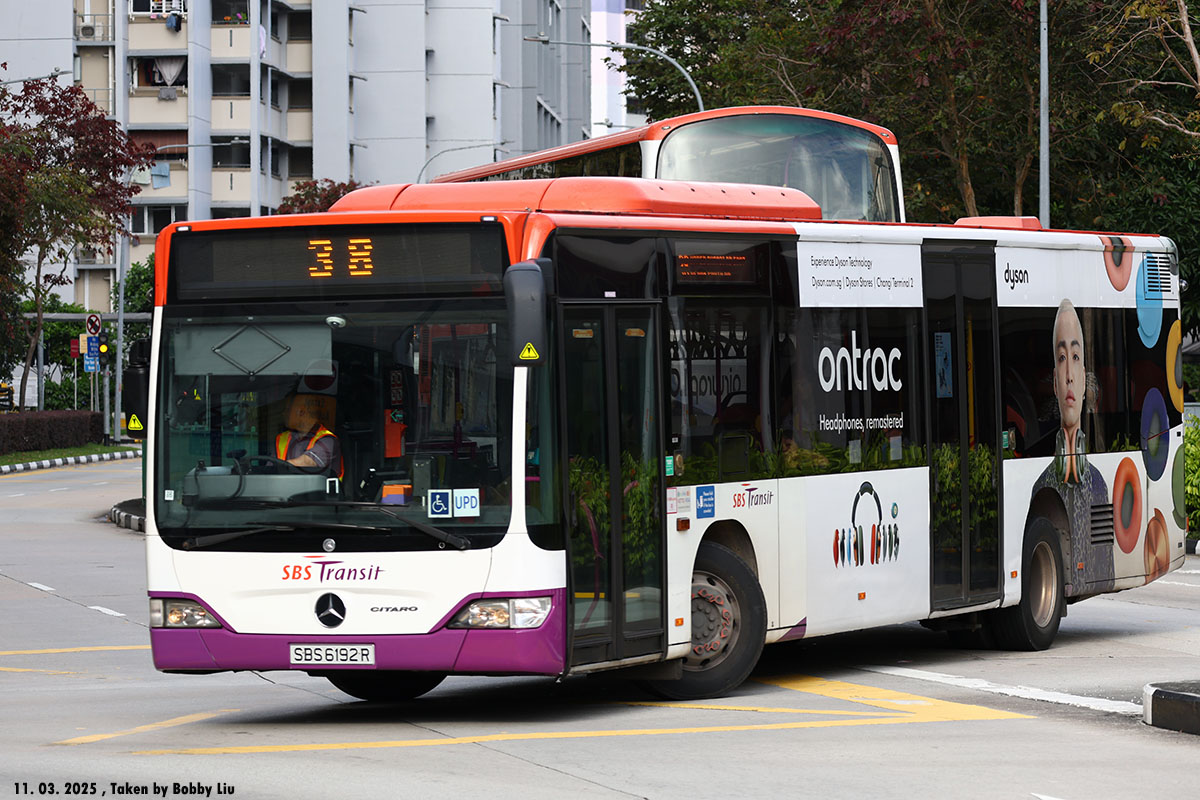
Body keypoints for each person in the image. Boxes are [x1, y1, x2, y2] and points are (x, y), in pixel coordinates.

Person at [1052, 299, 1087, 484]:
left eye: (1075, 356)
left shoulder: (1098, 483)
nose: (1069, 376)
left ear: (1083, 380)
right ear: (1055, 385)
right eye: (1062, 357)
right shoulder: (1042, 485)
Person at [276, 392, 343, 478]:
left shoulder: (328, 440)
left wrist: (276, 468)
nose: (284, 413)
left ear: (301, 412)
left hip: (318, 491)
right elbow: (269, 468)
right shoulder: (282, 438)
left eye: (287, 409)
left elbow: (307, 463)